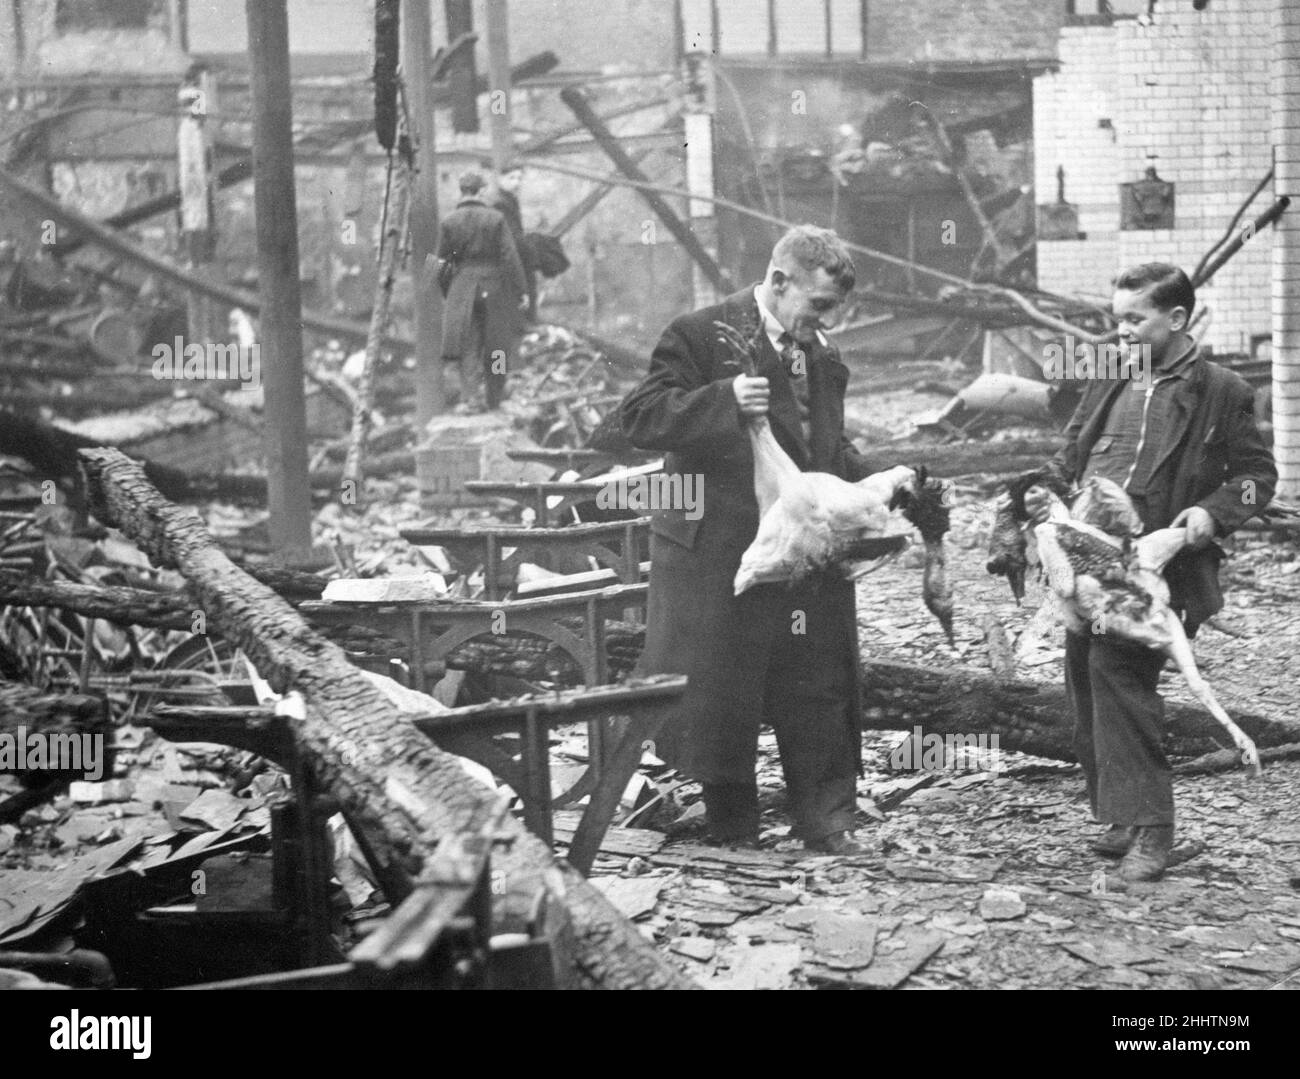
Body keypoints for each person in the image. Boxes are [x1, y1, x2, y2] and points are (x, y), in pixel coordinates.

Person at [619, 225, 873, 854]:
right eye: (816, 306)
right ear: (779, 281)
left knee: (817, 676)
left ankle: (827, 820)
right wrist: (721, 399)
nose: (823, 322)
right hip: (721, 548)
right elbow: (640, 418)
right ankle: (733, 828)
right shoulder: (700, 333)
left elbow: (825, 447)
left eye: (832, 311)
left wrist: (879, 489)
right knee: (722, 692)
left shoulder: (822, 354)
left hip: (804, 548)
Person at [1023, 262, 1276, 881]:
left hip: (1155, 572)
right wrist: (1046, 495)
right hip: (1086, 563)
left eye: (1134, 319)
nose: (1122, 331)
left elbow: (1256, 482)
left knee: (1122, 680)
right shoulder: (1111, 374)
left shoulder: (1222, 390)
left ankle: (1154, 832)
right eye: (1117, 318)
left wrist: (1199, 521)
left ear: (1178, 318)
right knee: (1085, 683)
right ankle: (1121, 816)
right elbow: (1073, 450)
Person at [435, 170, 527, 410]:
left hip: (462, 286)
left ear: (462, 191)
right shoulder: (496, 218)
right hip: (493, 286)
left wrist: (450, 292)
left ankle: (471, 398)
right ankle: (494, 398)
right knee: (497, 344)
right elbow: (510, 257)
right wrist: (521, 290)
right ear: (482, 191)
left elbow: (442, 263)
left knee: (468, 345)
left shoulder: (448, 222)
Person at [487, 161, 537, 321]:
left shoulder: (508, 200)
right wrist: (531, 250)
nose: (517, 182)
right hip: (508, 264)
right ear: (501, 179)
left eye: (519, 178)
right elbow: (511, 238)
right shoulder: (501, 203)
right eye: (512, 178)